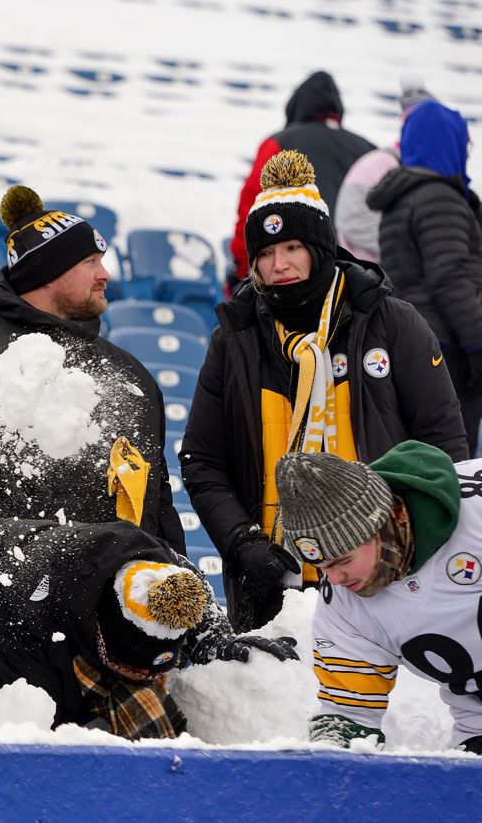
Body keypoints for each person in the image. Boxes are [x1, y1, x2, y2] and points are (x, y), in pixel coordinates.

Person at [182, 149, 468, 633]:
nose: (279, 264)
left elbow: (443, 447)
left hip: (389, 570)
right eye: (266, 254)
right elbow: (202, 460)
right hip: (274, 583)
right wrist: (242, 541)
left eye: (292, 246)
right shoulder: (235, 338)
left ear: (320, 247)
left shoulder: (390, 321)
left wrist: (405, 538)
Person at [0, 517, 298, 737]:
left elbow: (184, 583)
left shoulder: (146, 561)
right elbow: (26, 726)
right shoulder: (25, 610)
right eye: (123, 664)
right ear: (98, 631)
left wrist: (216, 639)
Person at [0, 185, 184, 554]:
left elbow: (156, 499)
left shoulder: (130, 372)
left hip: (110, 588)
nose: (105, 275)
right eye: (90, 262)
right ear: (48, 273)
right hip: (1, 586)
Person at [276, 441, 482, 754]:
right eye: (321, 568)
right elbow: (348, 714)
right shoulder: (343, 603)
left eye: (342, 561)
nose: (335, 580)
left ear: (380, 524)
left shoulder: (476, 516)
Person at [366, 99, 482, 454]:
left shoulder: (399, 201)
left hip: (412, 342)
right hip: (448, 349)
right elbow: (449, 277)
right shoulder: (439, 199)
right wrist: (479, 342)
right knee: (453, 461)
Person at [227, 71, 375, 294]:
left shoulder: (278, 142)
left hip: (293, 276)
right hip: (358, 274)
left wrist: (240, 268)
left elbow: (252, 209)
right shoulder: (367, 149)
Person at [332, 75, 436, 263]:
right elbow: (353, 221)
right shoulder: (378, 164)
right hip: (370, 273)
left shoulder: (432, 174)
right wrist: (412, 252)